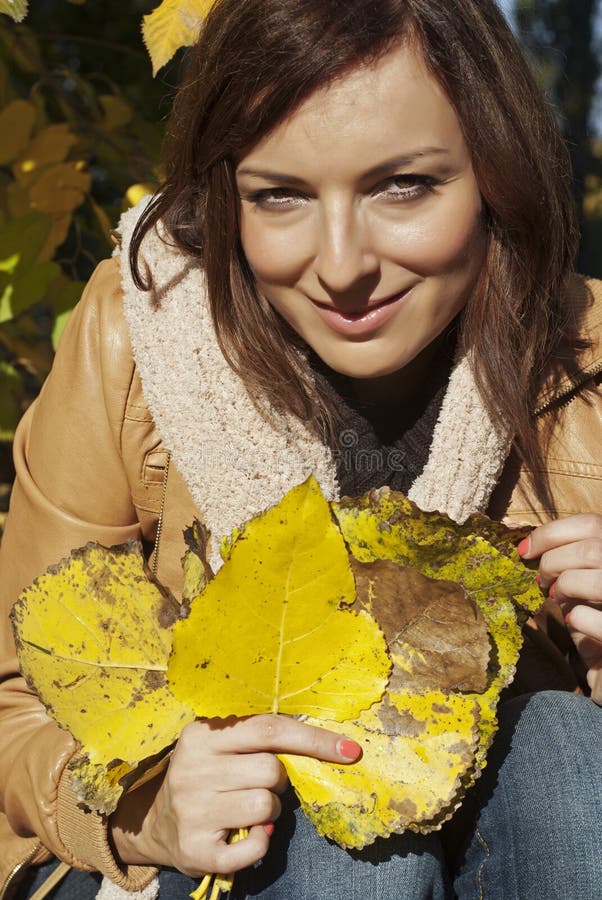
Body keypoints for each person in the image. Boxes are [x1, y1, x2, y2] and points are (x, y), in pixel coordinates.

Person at [1, 0, 601, 897]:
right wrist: (146, 812)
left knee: (558, 747)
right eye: (279, 195)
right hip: (201, 873)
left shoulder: (588, 362)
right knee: (337, 852)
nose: (342, 263)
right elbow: (16, 702)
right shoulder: (139, 336)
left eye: (403, 186)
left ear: (495, 173)